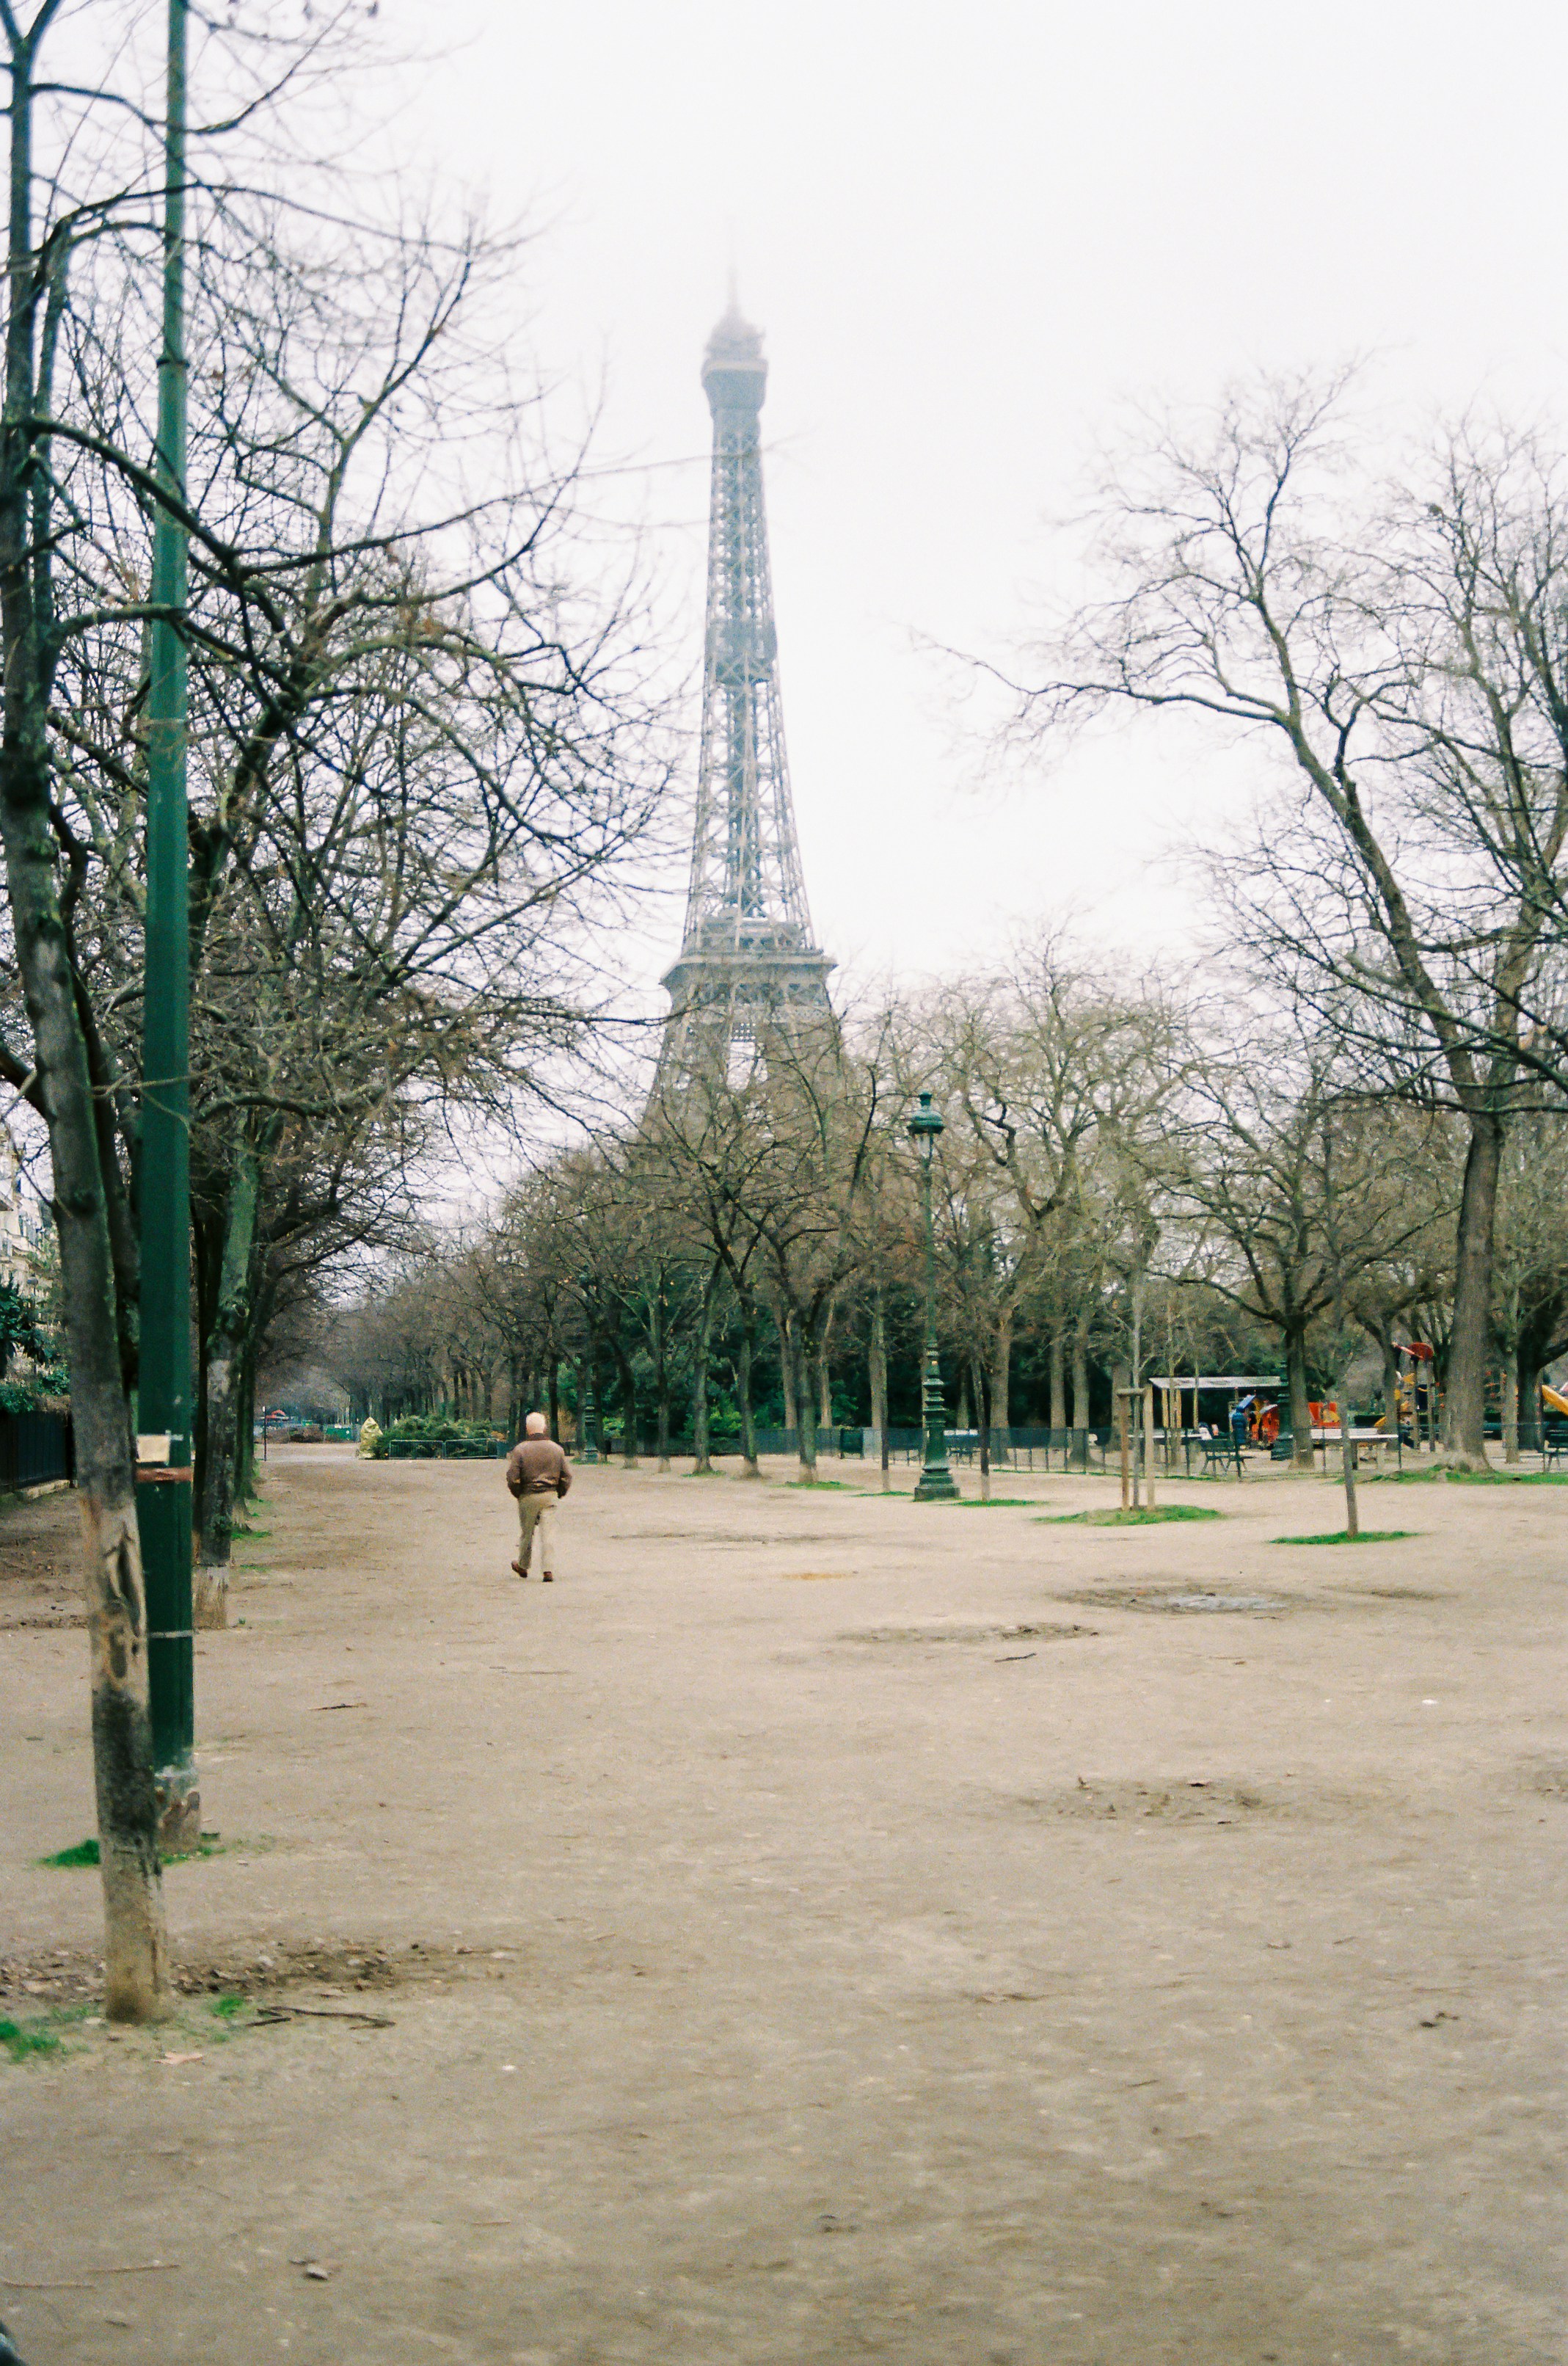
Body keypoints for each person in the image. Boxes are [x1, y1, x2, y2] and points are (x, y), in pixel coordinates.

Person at [505, 1411, 572, 1582]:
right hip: (549, 1495)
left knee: (527, 1533)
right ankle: (547, 1570)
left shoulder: (520, 1450)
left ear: (528, 1429)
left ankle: (523, 1565)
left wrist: (519, 1493)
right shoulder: (557, 1449)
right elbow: (567, 1476)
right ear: (544, 1428)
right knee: (548, 1534)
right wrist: (559, 1492)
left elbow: (512, 1477)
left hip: (528, 1495)